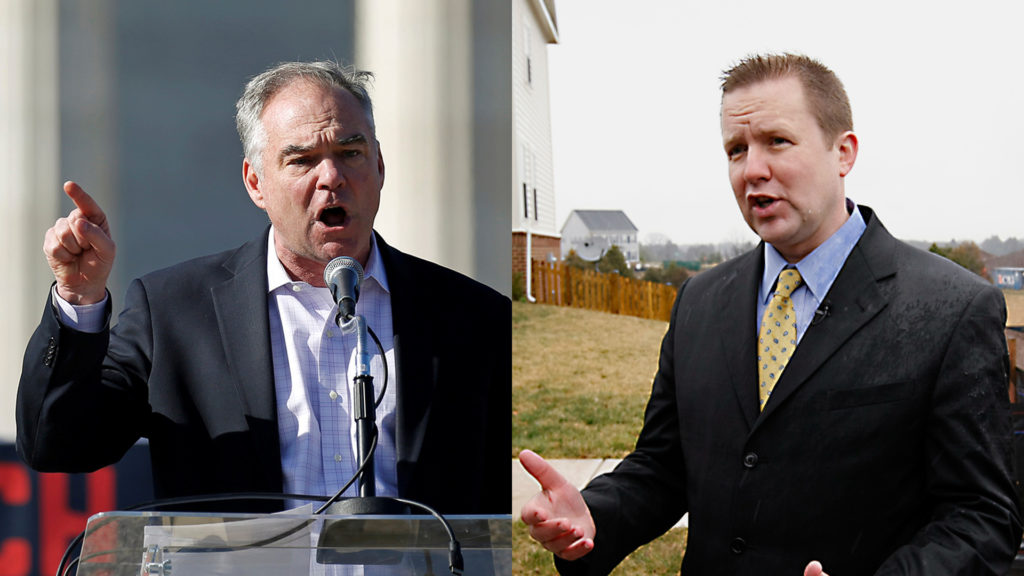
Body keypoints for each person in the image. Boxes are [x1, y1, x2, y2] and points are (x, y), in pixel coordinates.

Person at [520, 53, 1022, 575]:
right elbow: (664, 467)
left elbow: (981, 516)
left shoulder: (950, 307)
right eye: (736, 150)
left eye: (776, 141)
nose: (751, 169)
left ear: (843, 152)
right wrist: (595, 516)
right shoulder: (700, 300)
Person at [16, 60, 510, 515]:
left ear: (379, 167)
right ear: (256, 183)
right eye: (302, 160)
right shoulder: (175, 312)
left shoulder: (475, 319)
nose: (332, 177)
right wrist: (79, 301)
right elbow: (59, 445)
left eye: (351, 153)